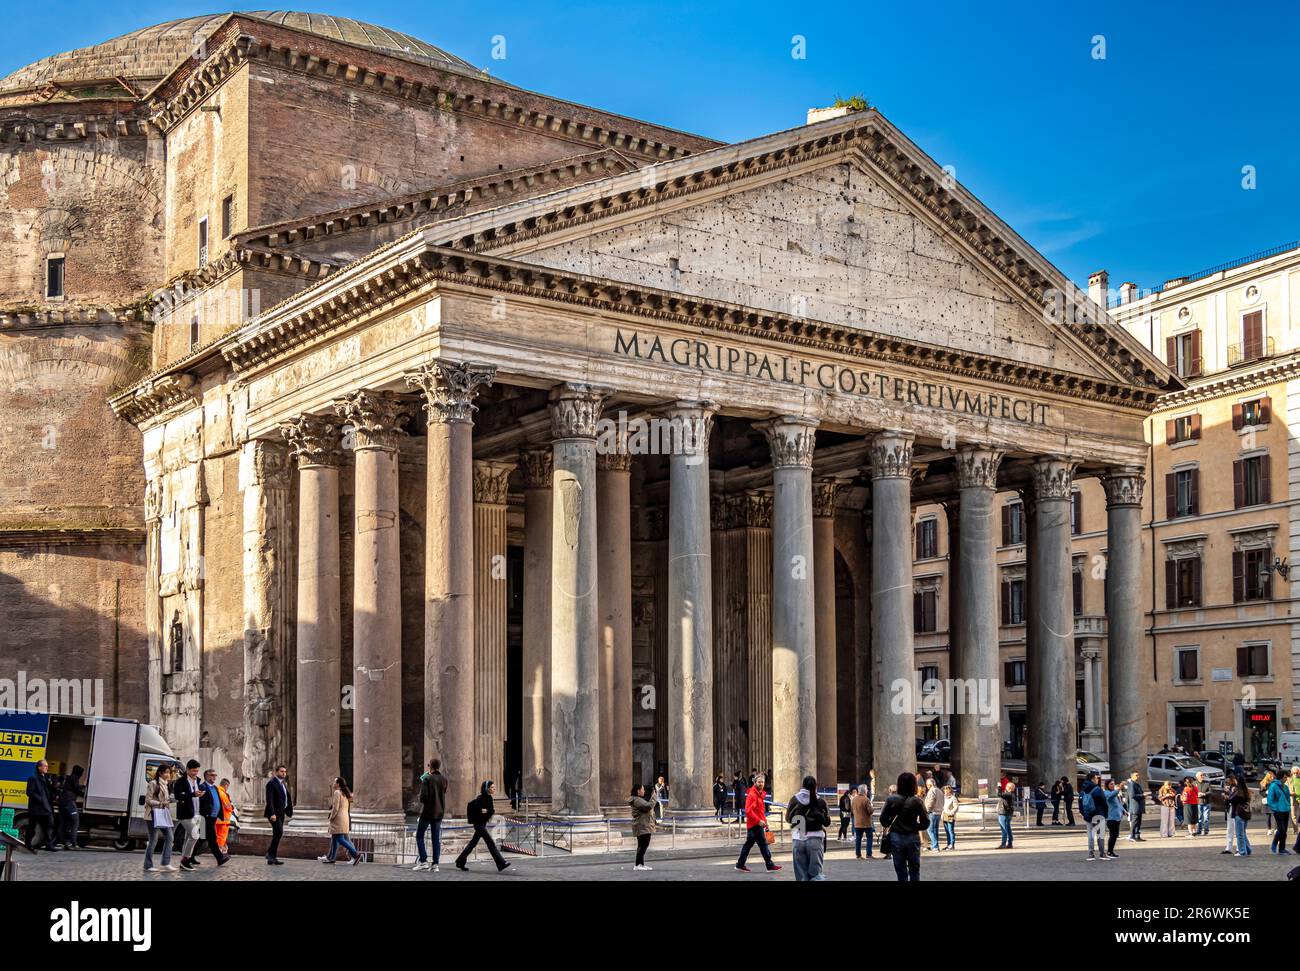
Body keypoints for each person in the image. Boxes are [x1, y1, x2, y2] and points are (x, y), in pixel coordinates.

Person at [879, 772, 928, 882]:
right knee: (914, 871)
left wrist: (892, 822)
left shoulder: (891, 799)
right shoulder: (918, 801)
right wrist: (915, 826)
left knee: (901, 872)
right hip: (912, 837)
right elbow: (926, 823)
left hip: (896, 837)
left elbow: (883, 820)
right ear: (913, 785)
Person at [455, 780, 511, 872]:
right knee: (490, 843)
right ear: (487, 789)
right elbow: (479, 812)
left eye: (494, 787)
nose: (494, 789)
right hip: (478, 824)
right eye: (492, 787)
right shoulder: (480, 799)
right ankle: (501, 863)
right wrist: (486, 812)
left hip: (482, 824)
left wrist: (487, 811)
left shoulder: (489, 798)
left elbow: (492, 811)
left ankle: (460, 861)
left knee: (472, 844)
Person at [787, 775, 830, 881]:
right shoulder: (821, 801)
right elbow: (827, 822)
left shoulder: (794, 799)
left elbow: (788, 818)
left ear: (803, 785)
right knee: (816, 875)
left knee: (801, 876)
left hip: (798, 838)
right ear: (816, 786)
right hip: (815, 839)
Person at [735, 772, 780, 872]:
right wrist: (759, 820)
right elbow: (748, 810)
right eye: (759, 782)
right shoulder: (752, 795)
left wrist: (765, 821)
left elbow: (759, 810)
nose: (761, 784)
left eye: (762, 782)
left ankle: (741, 864)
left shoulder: (759, 794)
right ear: (755, 782)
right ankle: (768, 865)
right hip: (754, 825)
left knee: (758, 845)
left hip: (757, 824)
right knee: (759, 845)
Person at [319, 777, 363, 865]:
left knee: (340, 839)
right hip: (344, 817)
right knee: (335, 838)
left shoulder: (337, 792)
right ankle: (331, 858)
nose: (333, 783)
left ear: (338, 784)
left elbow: (335, 808)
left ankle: (355, 854)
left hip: (338, 818)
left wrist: (331, 817)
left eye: (334, 782)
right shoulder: (345, 793)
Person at [414, 758, 448, 872]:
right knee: (435, 838)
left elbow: (423, 798)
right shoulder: (444, 779)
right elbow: (443, 793)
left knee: (419, 836)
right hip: (439, 813)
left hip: (427, 812)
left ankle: (423, 861)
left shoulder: (427, 779)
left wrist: (424, 781)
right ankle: (435, 864)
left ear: (431, 767)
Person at [173, 759, 206, 870]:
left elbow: (195, 795)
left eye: (197, 771)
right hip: (185, 813)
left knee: (188, 837)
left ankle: (184, 860)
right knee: (194, 836)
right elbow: (178, 796)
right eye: (193, 771)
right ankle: (185, 860)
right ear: (187, 769)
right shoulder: (180, 781)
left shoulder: (197, 781)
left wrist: (200, 795)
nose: (195, 773)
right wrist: (192, 794)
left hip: (196, 813)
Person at [143, 764, 177, 872]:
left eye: (169, 772)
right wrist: (161, 803)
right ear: (160, 773)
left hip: (163, 815)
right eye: (166, 772)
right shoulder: (153, 783)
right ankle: (148, 865)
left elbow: (167, 799)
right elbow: (148, 800)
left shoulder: (166, 785)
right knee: (153, 840)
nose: (168, 775)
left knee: (170, 837)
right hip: (153, 814)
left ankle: (165, 862)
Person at [263, 763, 293, 865]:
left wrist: (288, 810)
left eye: (285, 772)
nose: (284, 773)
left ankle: (272, 857)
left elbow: (286, 798)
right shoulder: (271, 783)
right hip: (274, 814)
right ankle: (270, 854)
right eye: (281, 771)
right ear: (276, 772)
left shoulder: (283, 784)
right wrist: (272, 813)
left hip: (281, 813)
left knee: (277, 834)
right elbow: (269, 800)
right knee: (279, 832)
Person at [199, 768, 230, 865]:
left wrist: (220, 814)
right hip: (206, 817)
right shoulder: (202, 786)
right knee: (212, 838)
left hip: (213, 817)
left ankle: (189, 857)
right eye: (212, 775)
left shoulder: (215, 788)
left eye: (215, 775)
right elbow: (200, 802)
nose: (214, 777)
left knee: (202, 838)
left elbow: (218, 802)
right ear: (206, 776)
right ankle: (220, 858)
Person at [24, 759, 56, 851]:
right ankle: (28, 844)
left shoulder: (45, 778)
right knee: (32, 827)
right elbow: (29, 792)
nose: (47, 768)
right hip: (36, 809)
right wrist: (40, 799)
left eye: (47, 766)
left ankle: (49, 845)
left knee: (48, 826)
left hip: (46, 808)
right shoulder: (33, 778)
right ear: (39, 767)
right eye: (45, 766)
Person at [629, 783, 657, 871]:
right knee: (643, 844)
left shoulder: (638, 799)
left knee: (642, 845)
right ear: (638, 791)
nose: (644, 791)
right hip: (642, 825)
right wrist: (654, 797)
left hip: (643, 825)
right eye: (642, 789)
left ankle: (640, 864)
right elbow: (648, 806)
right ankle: (637, 865)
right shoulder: (637, 800)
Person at [1080, 772, 1107, 861]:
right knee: (1100, 835)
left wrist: (1084, 814)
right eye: (1096, 778)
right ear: (1092, 779)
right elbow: (1104, 803)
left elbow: (1080, 805)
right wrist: (1105, 814)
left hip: (1088, 815)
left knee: (1090, 835)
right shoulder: (1097, 789)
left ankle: (1091, 854)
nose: (1097, 780)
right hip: (1099, 814)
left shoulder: (1083, 790)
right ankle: (1102, 853)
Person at [56, 765, 84, 850]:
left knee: (63, 823)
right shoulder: (74, 778)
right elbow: (78, 790)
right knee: (75, 821)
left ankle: (62, 842)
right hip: (69, 803)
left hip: (62, 803)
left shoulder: (68, 778)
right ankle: (73, 843)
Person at [1265, 771, 1292, 854]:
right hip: (1278, 810)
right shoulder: (1273, 786)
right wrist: (1275, 808)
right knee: (1282, 829)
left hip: (1285, 810)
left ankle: (1280, 847)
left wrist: (1288, 806)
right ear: (1280, 777)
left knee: (1284, 830)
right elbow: (1270, 799)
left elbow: (1287, 797)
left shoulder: (1286, 787)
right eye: (1284, 777)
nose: (1286, 778)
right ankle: (1278, 846)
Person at [1226, 774, 1252, 856]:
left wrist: (1228, 795)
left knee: (1239, 834)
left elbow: (1231, 799)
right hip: (1245, 813)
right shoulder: (1246, 790)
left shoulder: (1238, 790)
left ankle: (1242, 851)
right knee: (1243, 833)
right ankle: (1248, 849)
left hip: (1239, 813)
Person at [850, 783, 875, 859]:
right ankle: (869, 854)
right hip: (866, 823)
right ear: (864, 791)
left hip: (857, 822)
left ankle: (858, 854)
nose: (867, 791)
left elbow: (852, 810)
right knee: (869, 837)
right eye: (867, 790)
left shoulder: (854, 799)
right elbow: (870, 811)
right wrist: (872, 807)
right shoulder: (866, 799)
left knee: (858, 838)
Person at [214, 778, 236, 855]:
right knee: (222, 836)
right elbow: (228, 806)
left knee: (218, 836)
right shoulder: (223, 794)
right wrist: (232, 807)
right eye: (228, 786)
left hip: (218, 819)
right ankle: (219, 852)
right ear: (226, 785)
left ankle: (220, 850)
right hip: (224, 820)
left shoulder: (217, 791)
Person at [1102, 779, 1122, 858]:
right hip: (1111, 818)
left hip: (1116, 817)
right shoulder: (1106, 793)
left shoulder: (1113, 793)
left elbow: (1118, 804)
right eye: (1111, 784)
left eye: (1113, 784)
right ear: (1107, 785)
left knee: (1115, 835)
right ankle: (1109, 852)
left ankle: (1111, 851)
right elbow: (1110, 797)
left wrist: (1124, 811)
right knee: (1113, 835)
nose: (1113, 785)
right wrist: (1119, 788)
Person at [1123, 771, 1146, 841]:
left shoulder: (1136, 784)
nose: (1138, 776)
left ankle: (1137, 835)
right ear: (1132, 776)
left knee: (1138, 821)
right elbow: (1132, 796)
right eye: (1136, 775)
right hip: (1134, 806)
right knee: (1134, 822)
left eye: (1138, 775)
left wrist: (1143, 795)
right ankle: (1132, 836)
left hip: (1139, 806)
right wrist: (1143, 795)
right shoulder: (1131, 784)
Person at [923, 777, 943, 851]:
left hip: (933, 812)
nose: (927, 786)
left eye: (927, 785)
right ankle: (935, 845)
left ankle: (935, 847)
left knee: (930, 830)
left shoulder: (932, 791)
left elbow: (931, 802)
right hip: (939, 812)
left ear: (930, 785)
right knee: (935, 830)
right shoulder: (939, 790)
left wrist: (927, 811)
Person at [996, 781, 1015, 849]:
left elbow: (999, 794)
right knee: (1008, 829)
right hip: (1007, 814)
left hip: (1004, 814)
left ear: (1008, 788)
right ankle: (1010, 844)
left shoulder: (1008, 794)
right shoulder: (1011, 794)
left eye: (1006, 786)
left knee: (1004, 830)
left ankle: (1003, 844)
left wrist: (999, 787)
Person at [941, 785, 959, 850]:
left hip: (950, 816)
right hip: (944, 815)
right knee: (947, 831)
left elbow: (956, 806)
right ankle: (948, 844)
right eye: (944, 790)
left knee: (951, 830)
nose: (945, 791)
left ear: (950, 790)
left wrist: (951, 812)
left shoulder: (953, 798)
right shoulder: (943, 797)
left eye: (946, 789)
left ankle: (952, 845)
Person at [1195, 772, 1212, 836]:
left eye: (1203, 775)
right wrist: (1197, 794)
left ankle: (1206, 831)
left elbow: (1210, 792)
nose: (1202, 776)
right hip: (1198, 802)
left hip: (1206, 802)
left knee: (1206, 817)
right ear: (1197, 777)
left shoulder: (1207, 783)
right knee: (1199, 817)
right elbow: (1192, 792)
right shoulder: (1194, 783)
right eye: (1201, 775)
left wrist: (1204, 794)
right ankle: (1199, 830)